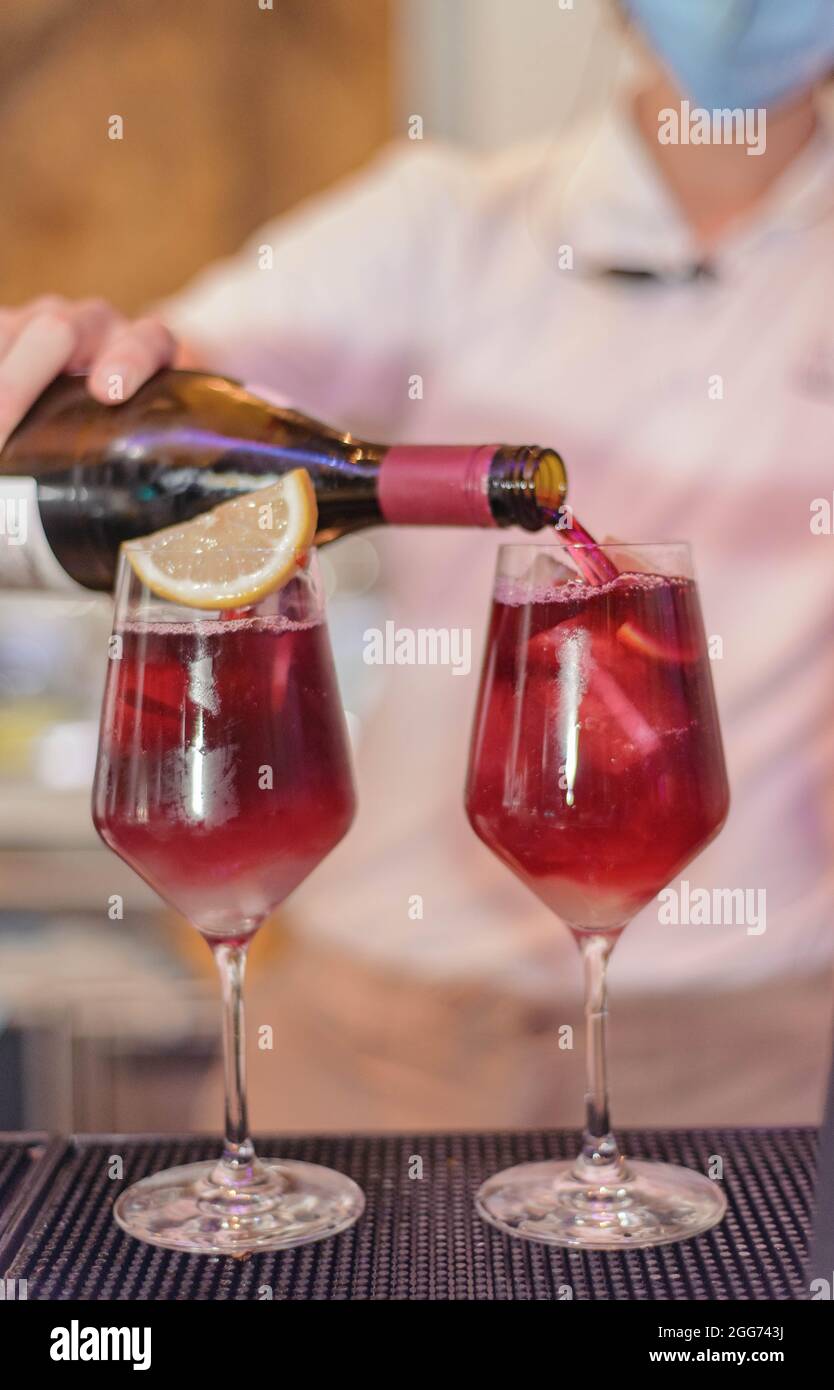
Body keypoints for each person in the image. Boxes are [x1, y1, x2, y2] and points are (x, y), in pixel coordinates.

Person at [3, 0, 834, 1129]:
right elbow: (179, 400)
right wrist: (92, 371)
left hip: (751, 1032)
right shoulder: (444, 223)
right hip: (379, 1014)